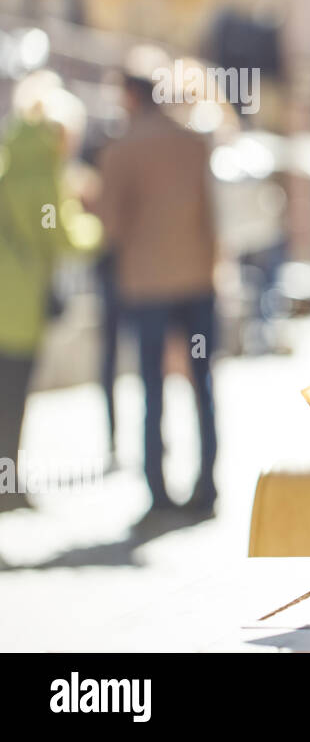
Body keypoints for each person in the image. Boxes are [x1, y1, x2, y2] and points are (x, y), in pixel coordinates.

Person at [98, 63, 219, 518]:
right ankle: (208, 483)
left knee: (152, 386)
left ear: (130, 95)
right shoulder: (193, 142)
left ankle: (158, 490)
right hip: (197, 279)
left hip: (146, 282)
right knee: (202, 382)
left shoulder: (122, 149)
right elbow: (210, 214)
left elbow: (109, 225)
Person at [0, 82, 100, 511]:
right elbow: (59, 236)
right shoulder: (43, 171)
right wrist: (98, 229)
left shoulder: (9, 158)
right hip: (17, 304)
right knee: (13, 402)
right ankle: (7, 487)